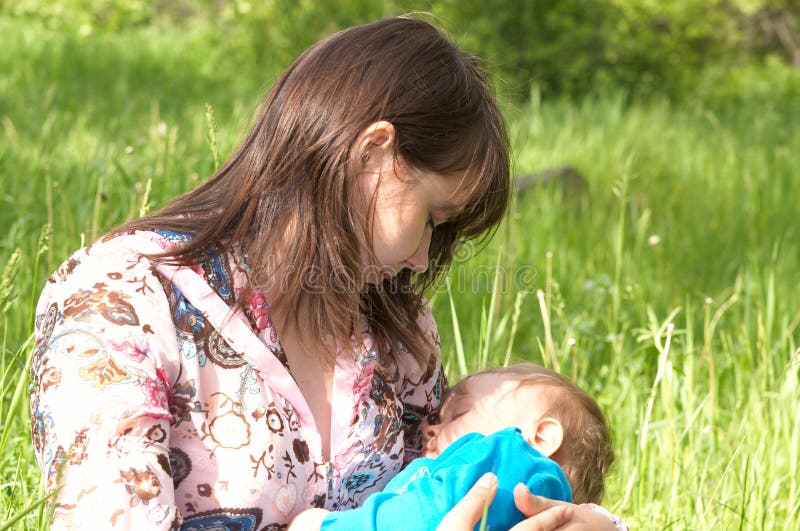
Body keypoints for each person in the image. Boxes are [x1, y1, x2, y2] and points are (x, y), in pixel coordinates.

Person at [29, 16, 624, 531]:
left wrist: (587, 521)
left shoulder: (399, 336)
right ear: (372, 153)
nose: (422, 260)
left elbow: (462, 493)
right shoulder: (123, 300)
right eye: (432, 218)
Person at [288, 363, 619, 531]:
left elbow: (424, 514)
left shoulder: (515, 459)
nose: (430, 429)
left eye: (459, 413)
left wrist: (326, 526)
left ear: (541, 438)